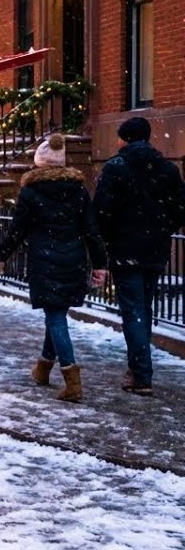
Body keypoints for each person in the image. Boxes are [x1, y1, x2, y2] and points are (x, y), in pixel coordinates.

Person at [0, 134, 107, 403]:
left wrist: (2, 255)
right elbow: (92, 230)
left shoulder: (31, 192)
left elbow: (17, 228)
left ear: (40, 163)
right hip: (73, 259)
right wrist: (99, 263)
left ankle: (72, 380)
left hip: (44, 260)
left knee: (55, 316)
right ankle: (43, 368)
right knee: (55, 311)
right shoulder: (78, 190)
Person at [92, 117, 185, 397]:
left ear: (126, 138)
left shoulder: (116, 167)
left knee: (133, 310)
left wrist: (107, 240)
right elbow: (180, 207)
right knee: (143, 306)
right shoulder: (166, 168)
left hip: (125, 249)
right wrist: (161, 229)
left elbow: (102, 211)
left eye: (121, 137)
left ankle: (142, 373)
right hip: (154, 249)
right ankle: (138, 368)